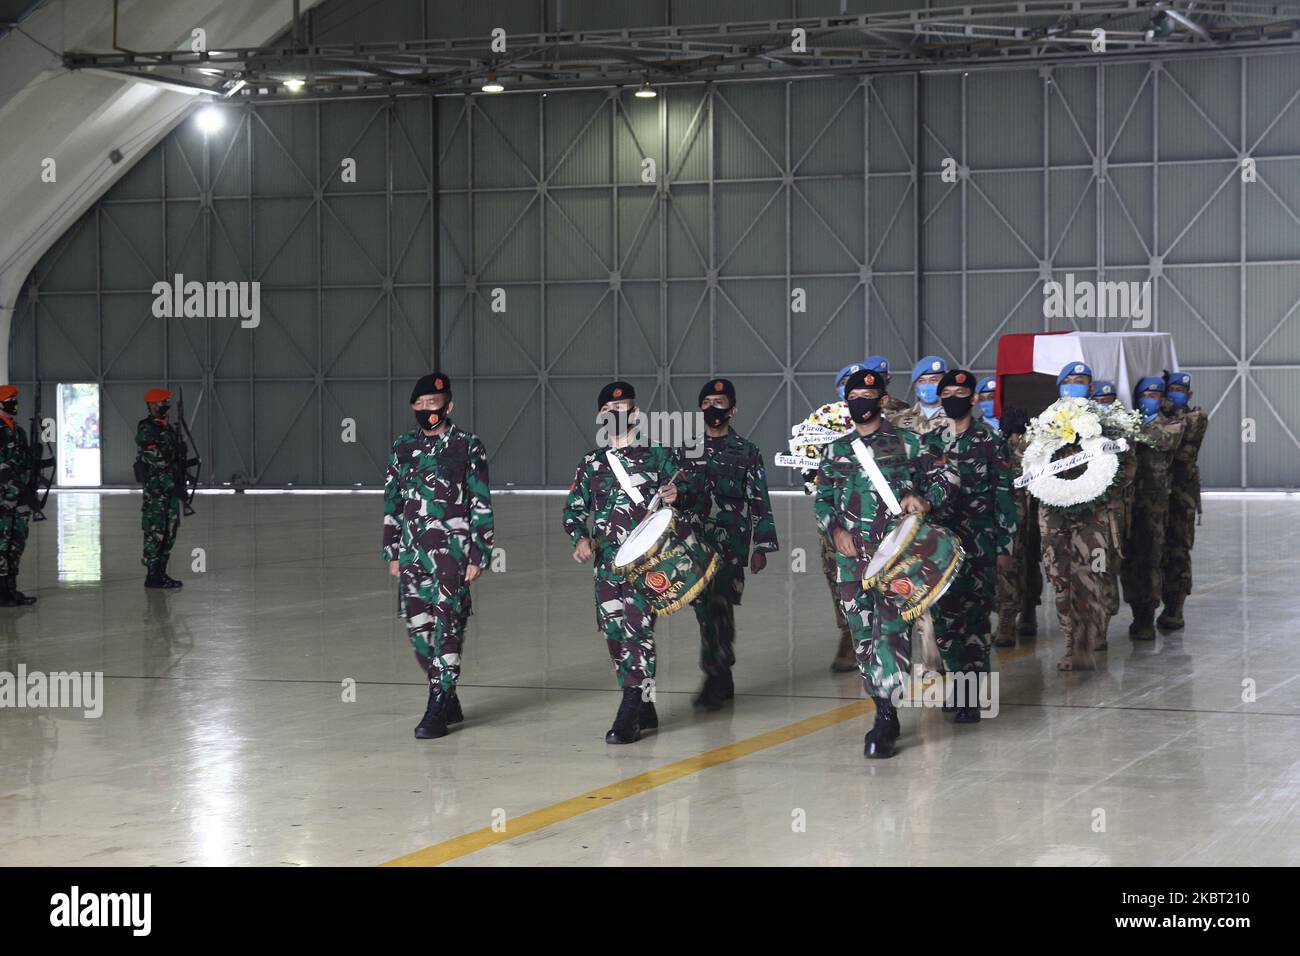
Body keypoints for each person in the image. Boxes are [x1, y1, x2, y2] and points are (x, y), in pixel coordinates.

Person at [815, 368, 957, 758]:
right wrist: (835, 531)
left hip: (898, 558)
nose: (860, 400)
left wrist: (924, 501)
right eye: (853, 394)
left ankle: (885, 715)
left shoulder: (910, 443)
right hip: (852, 563)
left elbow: (947, 477)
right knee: (863, 638)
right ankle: (881, 701)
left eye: (868, 394)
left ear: (881, 400)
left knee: (891, 633)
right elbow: (822, 499)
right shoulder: (836, 450)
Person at [563, 382, 692, 744]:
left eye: (624, 407)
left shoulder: (659, 456)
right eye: (609, 408)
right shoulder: (592, 463)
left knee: (638, 631)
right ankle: (644, 701)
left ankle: (630, 708)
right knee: (614, 634)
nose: (617, 413)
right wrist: (580, 538)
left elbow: (692, 495)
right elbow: (573, 510)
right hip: (606, 564)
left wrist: (678, 494)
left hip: (648, 562)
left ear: (636, 413)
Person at [382, 373, 494, 740]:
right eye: (423, 404)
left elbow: (480, 501)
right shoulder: (402, 447)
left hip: (453, 554)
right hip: (413, 554)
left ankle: (436, 705)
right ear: (413, 407)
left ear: (450, 406)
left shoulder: (467, 445)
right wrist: (392, 550)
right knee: (419, 634)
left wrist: (480, 552)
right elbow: (393, 501)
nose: (430, 410)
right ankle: (448, 696)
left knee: (449, 629)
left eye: (436, 403)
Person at [684, 379, 779, 709]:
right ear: (700, 408)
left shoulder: (747, 451)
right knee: (702, 609)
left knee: (720, 606)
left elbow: (759, 499)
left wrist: (762, 546)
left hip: (730, 545)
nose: (713, 407)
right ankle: (722, 674)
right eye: (707, 401)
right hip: (694, 544)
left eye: (720, 402)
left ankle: (716, 674)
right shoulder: (685, 450)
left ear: (732, 409)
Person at [928, 370, 1017, 718]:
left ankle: (971, 694)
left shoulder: (990, 441)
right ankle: (957, 685)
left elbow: (1004, 496)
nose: (953, 396)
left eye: (960, 391)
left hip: (979, 543)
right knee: (945, 620)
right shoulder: (930, 442)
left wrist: (1005, 546)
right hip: (939, 546)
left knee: (976, 619)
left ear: (974, 398)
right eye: (947, 391)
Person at [1121, 376, 1185, 640]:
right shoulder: (1126, 424)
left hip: (1154, 506)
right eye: (1146, 394)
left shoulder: (1172, 425)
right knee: (1128, 561)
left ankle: (1146, 617)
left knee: (1150, 560)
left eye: (1156, 395)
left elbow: (1162, 439)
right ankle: (1136, 612)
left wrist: (1129, 430)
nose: (1151, 399)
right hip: (1127, 504)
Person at [981, 378, 1042, 648]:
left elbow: (1030, 467)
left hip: (1018, 504)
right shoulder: (975, 429)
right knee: (992, 562)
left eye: (993, 396)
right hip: (984, 504)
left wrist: (1018, 438)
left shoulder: (1026, 431)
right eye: (983, 396)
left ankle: (1015, 612)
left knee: (1018, 558)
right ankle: (1001, 611)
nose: (988, 400)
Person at [1158, 371, 1207, 630]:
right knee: (1154, 550)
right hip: (1156, 495)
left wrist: (1163, 411)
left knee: (1178, 550)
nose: (1177, 394)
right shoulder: (1160, 417)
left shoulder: (1195, 417)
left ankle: (1174, 608)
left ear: (1189, 395)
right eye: (1171, 389)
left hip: (1181, 496)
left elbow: (1177, 448)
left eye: (1181, 390)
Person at [135, 388, 184, 589]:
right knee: (155, 531)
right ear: (153, 405)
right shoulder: (146, 428)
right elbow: (154, 458)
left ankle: (162, 572)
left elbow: (172, 459)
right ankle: (152, 574)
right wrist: (170, 482)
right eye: (163, 402)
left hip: (171, 489)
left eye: (166, 402)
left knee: (170, 529)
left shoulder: (169, 428)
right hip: (157, 490)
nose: (166, 405)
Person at [0, 386, 37, 606]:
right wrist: (15, 489)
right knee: (1, 544)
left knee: (17, 543)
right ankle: (1, 592)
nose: (14, 403)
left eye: (15, 399)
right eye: (9, 400)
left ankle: (11, 589)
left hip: (20, 498)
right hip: (4, 498)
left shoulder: (19, 430)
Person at [886, 355, 951, 434]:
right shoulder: (897, 419)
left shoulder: (956, 418)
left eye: (933, 380)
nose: (927, 385)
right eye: (921, 381)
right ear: (916, 387)